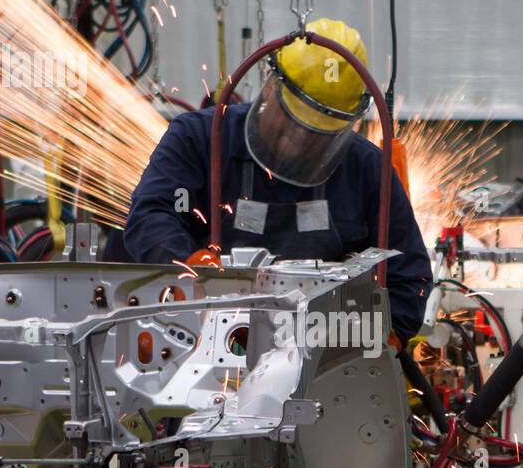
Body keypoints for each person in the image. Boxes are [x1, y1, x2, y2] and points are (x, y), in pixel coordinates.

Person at [117, 18, 430, 346]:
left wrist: (376, 343)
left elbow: (408, 274)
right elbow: (151, 215)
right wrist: (186, 268)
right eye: (293, 122)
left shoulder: (366, 169)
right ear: (270, 85)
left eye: (318, 133)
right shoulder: (197, 140)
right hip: (201, 340)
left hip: (323, 352)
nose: (300, 140)